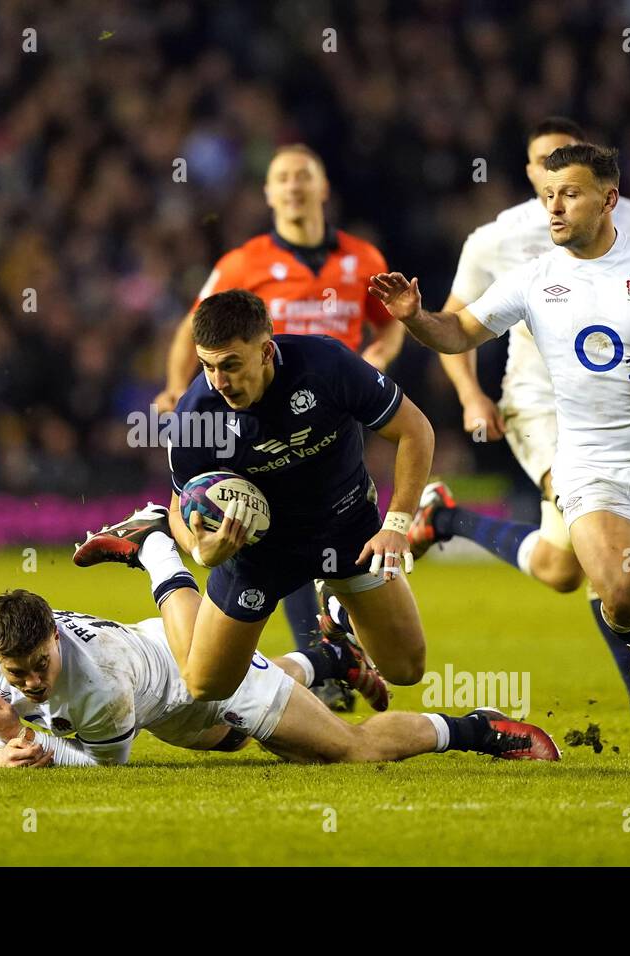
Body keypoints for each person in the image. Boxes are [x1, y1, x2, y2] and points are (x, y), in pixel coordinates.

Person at [369, 144, 630, 773]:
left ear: (609, 200)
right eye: (549, 194)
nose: (554, 206)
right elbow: (460, 331)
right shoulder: (535, 278)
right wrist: (417, 318)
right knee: (621, 592)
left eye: (570, 194)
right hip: (588, 466)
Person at [413, 117, 630, 732]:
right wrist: (472, 395)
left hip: (620, 408)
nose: (552, 168)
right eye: (540, 160)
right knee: (592, 522)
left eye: (563, 155)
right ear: (528, 171)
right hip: (539, 407)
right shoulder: (497, 239)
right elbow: (456, 323)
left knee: (563, 569)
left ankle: (446, 518)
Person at [76, 288, 434, 711]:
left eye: (231, 365)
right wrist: (198, 548)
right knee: (205, 684)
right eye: (208, 366)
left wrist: (395, 526)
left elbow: (415, 430)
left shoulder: (326, 365)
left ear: (265, 352)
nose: (219, 382)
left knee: (406, 669)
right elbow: (180, 506)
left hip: (347, 527)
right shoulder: (195, 416)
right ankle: (154, 549)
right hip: (258, 549)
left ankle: (336, 616)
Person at [154, 144, 405, 710]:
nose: (292, 187)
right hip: (249, 416)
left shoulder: (363, 257)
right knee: (275, 521)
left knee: (325, 510)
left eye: (303, 177)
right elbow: (196, 327)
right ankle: (327, 650)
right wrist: (178, 389)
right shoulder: (244, 263)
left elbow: (387, 324)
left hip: (330, 402)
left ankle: (334, 630)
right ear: (267, 194)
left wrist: (379, 359)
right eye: (281, 179)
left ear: (323, 188)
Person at [0, 589, 558, 768]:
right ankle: (329, 660)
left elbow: (104, 764)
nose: (34, 680)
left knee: (347, 753)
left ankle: (478, 730)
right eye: (19, 673)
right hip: (164, 690)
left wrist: (20, 740)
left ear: (54, 637)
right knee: (237, 741)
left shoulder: (99, 687)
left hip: (195, 683)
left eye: (43, 664)